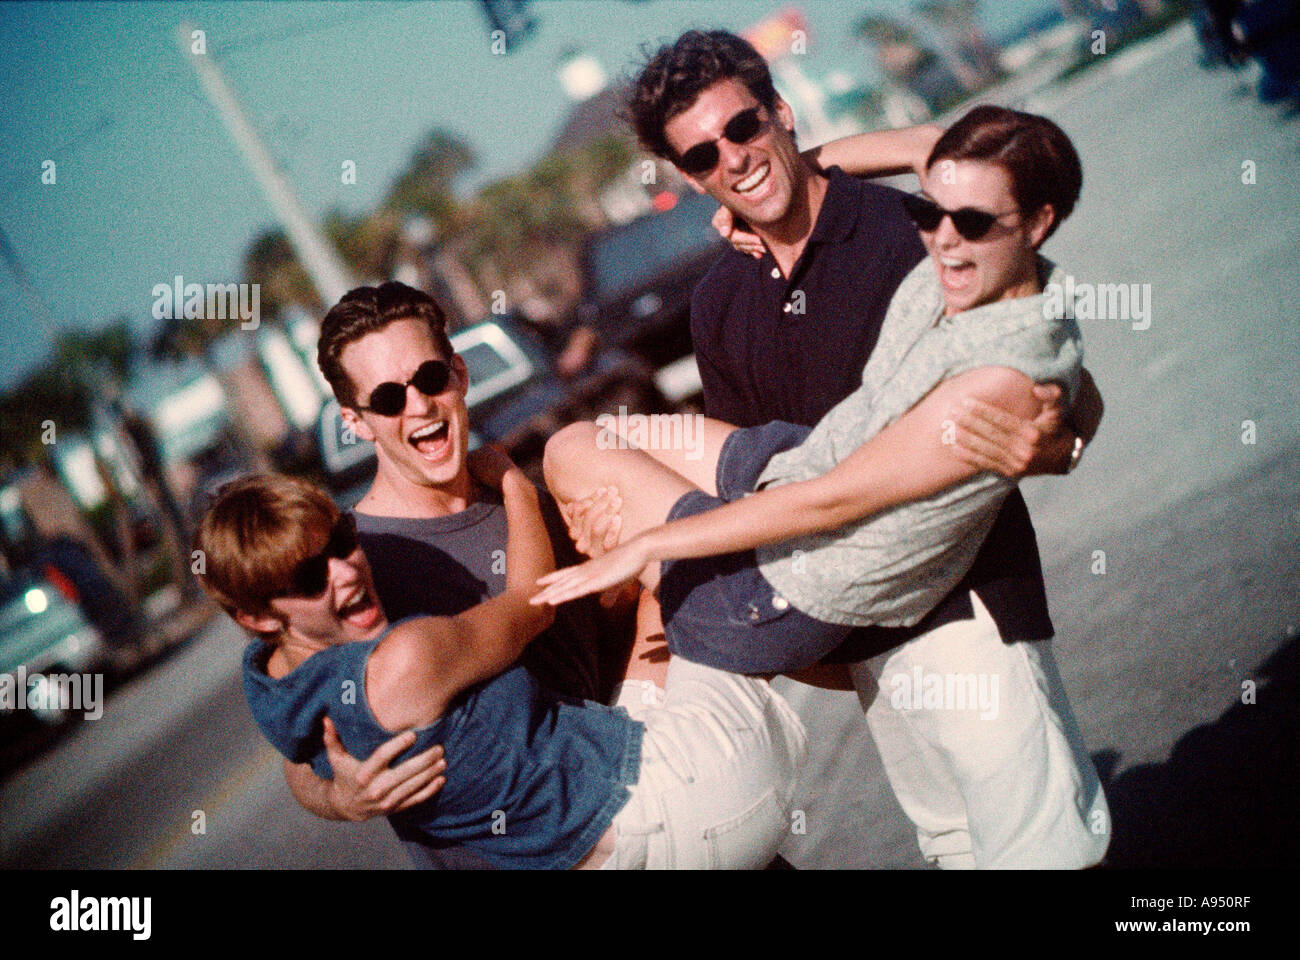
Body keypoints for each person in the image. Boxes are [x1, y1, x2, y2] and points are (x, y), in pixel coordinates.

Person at [537, 31, 1109, 870]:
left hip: (968, 601)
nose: (733, 159)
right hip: (855, 625)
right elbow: (761, 506)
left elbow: (1054, 353)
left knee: (1044, 850)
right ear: (688, 176)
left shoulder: (910, 231)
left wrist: (1059, 439)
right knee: (951, 843)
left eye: (743, 128)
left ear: (781, 112)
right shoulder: (719, 304)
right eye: (703, 154)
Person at [194, 466, 807, 869]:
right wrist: (516, 482)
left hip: (619, 809)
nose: (347, 570)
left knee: (656, 598)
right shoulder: (404, 661)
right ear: (257, 617)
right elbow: (534, 604)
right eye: (309, 576)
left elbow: (296, 756)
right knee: (680, 536)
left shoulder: (276, 685)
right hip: (674, 804)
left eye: (341, 540)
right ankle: (844, 515)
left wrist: (332, 795)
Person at [277, 280, 641, 869]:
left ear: (460, 374)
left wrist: (615, 578)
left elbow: (596, 644)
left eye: (429, 379)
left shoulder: (520, 499)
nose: (418, 406)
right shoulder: (349, 565)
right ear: (356, 421)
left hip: (638, 816)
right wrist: (339, 798)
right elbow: (296, 736)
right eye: (389, 398)